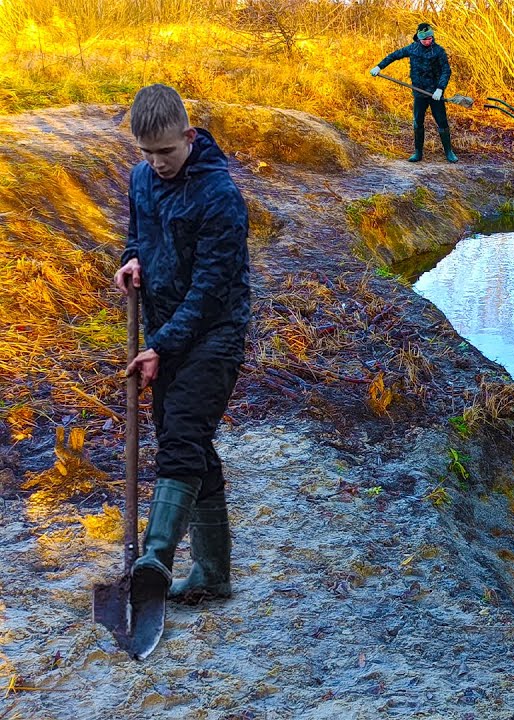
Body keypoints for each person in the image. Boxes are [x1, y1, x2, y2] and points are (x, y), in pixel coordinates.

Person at [114, 84, 250, 606]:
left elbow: (212, 287)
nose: (157, 163)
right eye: (146, 153)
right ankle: (213, 575)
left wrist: (162, 345)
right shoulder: (141, 179)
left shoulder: (219, 196)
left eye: (166, 151)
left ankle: (155, 560)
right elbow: (138, 232)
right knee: (186, 440)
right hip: (165, 332)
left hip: (213, 335)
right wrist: (132, 258)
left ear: (189, 136)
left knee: (181, 439)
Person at [369, 22, 458, 163]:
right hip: (419, 92)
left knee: (442, 122)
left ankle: (449, 152)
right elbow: (394, 56)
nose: (428, 41)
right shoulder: (412, 49)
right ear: (419, 37)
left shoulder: (439, 51)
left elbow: (446, 71)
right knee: (418, 122)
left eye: (430, 38)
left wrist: (440, 89)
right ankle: (418, 153)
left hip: (435, 93)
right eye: (425, 39)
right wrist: (379, 67)